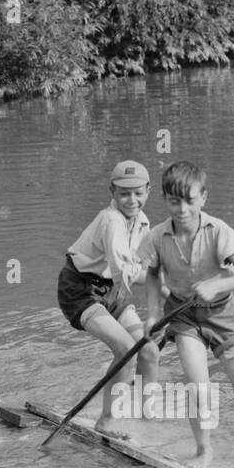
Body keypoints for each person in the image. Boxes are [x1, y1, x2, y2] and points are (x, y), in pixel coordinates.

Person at [138, 161, 234, 466]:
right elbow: (152, 274)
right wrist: (152, 315)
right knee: (198, 388)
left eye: (190, 200)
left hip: (223, 315)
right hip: (184, 318)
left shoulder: (218, 231)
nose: (182, 209)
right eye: (174, 201)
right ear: (165, 199)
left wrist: (218, 284)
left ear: (204, 198)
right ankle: (203, 452)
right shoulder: (158, 236)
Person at [56, 160, 159, 439]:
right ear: (112, 192)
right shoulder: (111, 220)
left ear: (149, 190)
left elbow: (145, 266)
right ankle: (106, 422)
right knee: (126, 349)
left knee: (148, 351)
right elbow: (125, 271)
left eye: (138, 192)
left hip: (111, 290)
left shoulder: (143, 221)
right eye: (124, 193)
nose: (132, 200)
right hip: (80, 289)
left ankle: (147, 420)